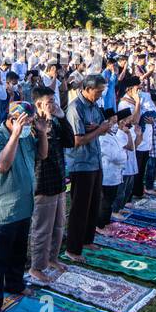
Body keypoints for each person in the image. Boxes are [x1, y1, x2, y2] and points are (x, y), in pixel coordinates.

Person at [0, 101, 45, 312]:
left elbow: (42, 155)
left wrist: (42, 133)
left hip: (23, 206)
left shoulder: (26, 137)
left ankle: (16, 284)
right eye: (26, 122)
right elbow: (2, 165)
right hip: (2, 209)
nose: (29, 126)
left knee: (18, 253)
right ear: (13, 120)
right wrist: (15, 136)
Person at [28, 86, 73, 283]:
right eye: (49, 102)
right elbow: (40, 155)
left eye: (54, 102)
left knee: (58, 225)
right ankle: (37, 266)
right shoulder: (32, 125)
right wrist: (44, 128)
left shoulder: (54, 121)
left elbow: (70, 142)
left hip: (58, 180)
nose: (53, 106)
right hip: (42, 181)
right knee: (42, 228)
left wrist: (62, 117)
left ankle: (52, 258)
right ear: (38, 104)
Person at [64, 73, 113, 258]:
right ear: (87, 89)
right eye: (98, 91)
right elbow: (77, 140)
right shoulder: (75, 108)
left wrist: (100, 128)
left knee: (93, 204)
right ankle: (72, 248)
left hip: (95, 160)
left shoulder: (94, 105)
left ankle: (87, 240)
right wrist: (99, 130)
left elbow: (97, 126)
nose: (100, 95)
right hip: (81, 163)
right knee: (80, 207)